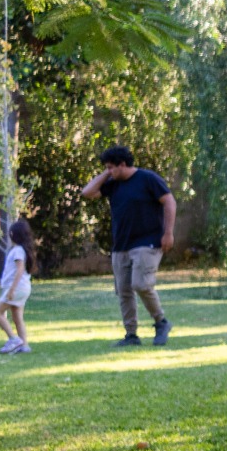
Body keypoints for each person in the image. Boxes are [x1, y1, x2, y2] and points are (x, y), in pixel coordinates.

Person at [81, 145, 176, 346]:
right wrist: (107, 173)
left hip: (147, 241)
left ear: (123, 164)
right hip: (121, 244)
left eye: (111, 167)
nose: (109, 171)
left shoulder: (148, 178)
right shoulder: (113, 183)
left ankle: (161, 322)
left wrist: (168, 233)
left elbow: (169, 201)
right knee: (123, 291)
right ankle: (131, 335)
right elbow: (87, 192)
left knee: (141, 284)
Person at [0, 219, 38, 354]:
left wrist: (11, 290)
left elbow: (19, 270)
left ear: (14, 235)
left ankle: (13, 339)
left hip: (16, 288)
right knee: (17, 317)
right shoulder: (23, 250)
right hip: (23, 288)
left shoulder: (18, 250)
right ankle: (24, 345)